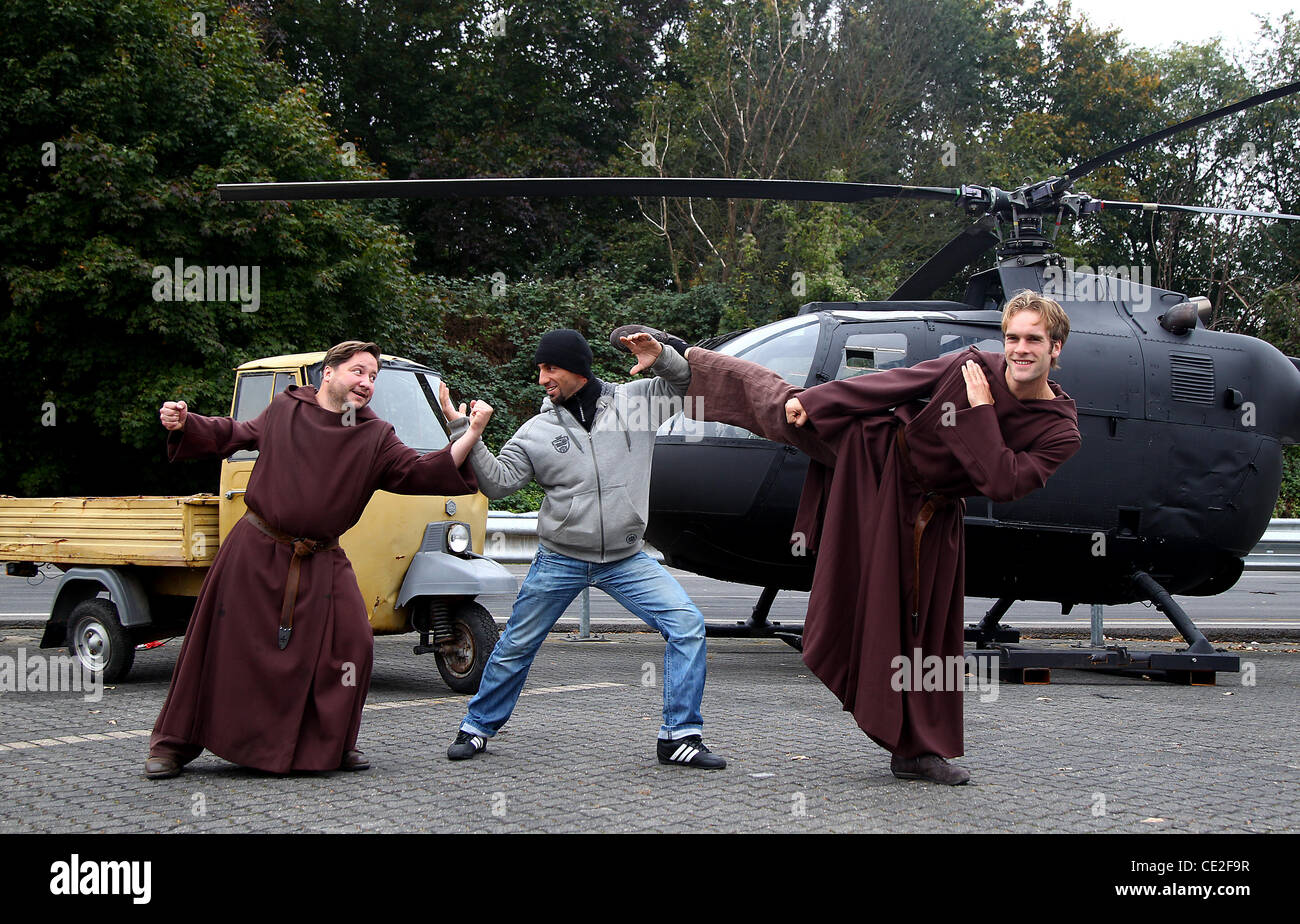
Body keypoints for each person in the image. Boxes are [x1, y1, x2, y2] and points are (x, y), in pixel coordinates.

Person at [631, 291, 1080, 784]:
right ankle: (679, 362)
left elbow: (1002, 483)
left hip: (930, 516)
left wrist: (977, 412)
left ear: (1055, 348)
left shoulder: (1060, 429)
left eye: (1032, 339)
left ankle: (917, 751)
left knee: (926, 634)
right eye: (1011, 337)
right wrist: (817, 400)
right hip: (879, 454)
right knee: (786, 408)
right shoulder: (974, 364)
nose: (1018, 349)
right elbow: (897, 382)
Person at [145, 341, 489, 779]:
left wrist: (470, 432)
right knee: (216, 645)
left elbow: (421, 472)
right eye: (358, 372)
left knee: (353, 644)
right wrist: (185, 423)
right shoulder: (286, 408)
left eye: (373, 376)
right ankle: (173, 745)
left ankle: (335, 742)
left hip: (322, 556)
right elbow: (232, 433)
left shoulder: (374, 435)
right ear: (328, 373)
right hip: (256, 548)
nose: (366, 383)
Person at [439, 329, 726, 769]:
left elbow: (689, 385)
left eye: (549, 368)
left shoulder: (636, 403)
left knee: (687, 626)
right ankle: (477, 727)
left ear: (576, 367)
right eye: (539, 369)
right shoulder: (536, 432)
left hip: (626, 559)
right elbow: (497, 483)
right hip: (561, 558)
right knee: (517, 644)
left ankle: (679, 735)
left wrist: (662, 355)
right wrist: (468, 430)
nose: (541, 379)